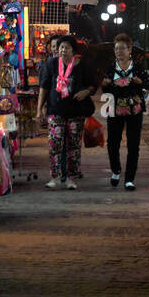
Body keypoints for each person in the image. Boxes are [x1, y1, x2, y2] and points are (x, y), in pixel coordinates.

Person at [38, 37, 98, 190]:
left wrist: (86, 91)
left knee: (73, 147)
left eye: (67, 48)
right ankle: (55, 176)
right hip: (55, 110)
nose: (63, 51)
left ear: (73, 50)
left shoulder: (82, 66)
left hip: (75, 112)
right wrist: (39, 109)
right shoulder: (51, 64)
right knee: (54, 145)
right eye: (61, 48)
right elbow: (44, 87)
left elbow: (93, 85)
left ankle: (71, 178)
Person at [102, 33, 147, 190]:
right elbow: (103, 86)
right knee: (112, 143)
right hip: (114, 108)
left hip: (134, 109)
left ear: (130, 50)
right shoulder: (110, 67)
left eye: (122, 48)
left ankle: (129, 178)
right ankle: (116, 170)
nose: (119, 51)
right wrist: (106, 83)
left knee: (133, 144)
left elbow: (148, 85)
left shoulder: (138, 67)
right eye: (116, 48)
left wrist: (139, 82)